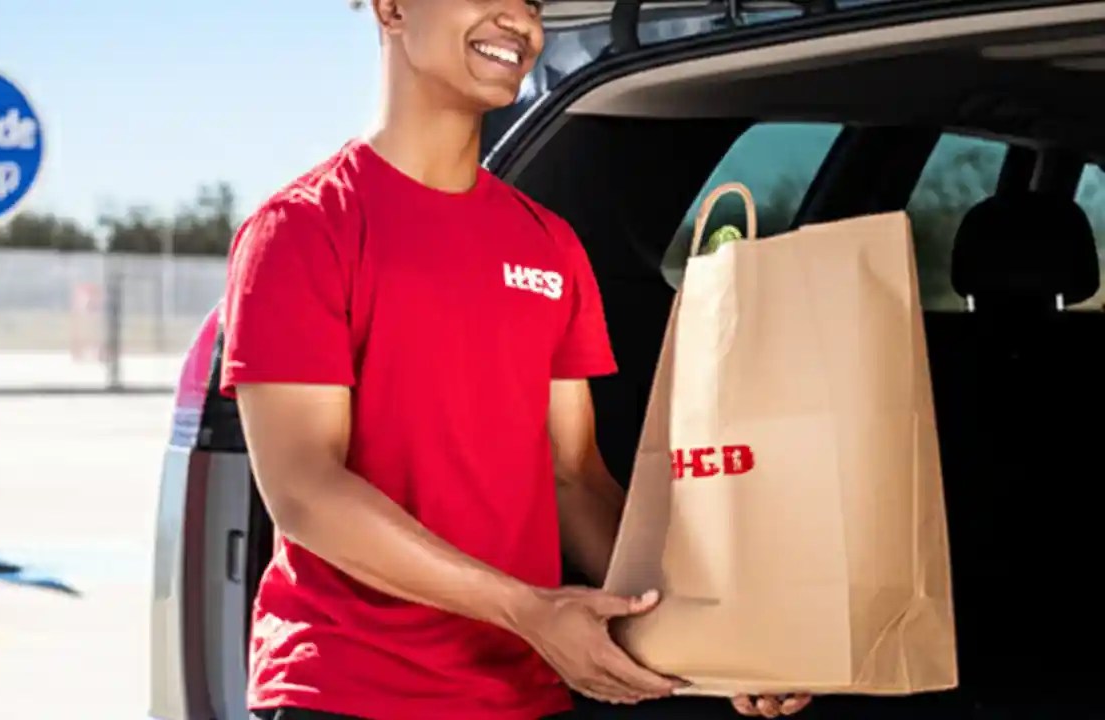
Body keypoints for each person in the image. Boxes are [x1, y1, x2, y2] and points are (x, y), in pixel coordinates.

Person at [220, 1, 815, 718]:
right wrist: (527, 609)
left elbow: (575, 477)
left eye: (533, 2)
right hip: (346, 693)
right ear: (390, 7)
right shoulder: (303, 230)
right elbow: (305, 489)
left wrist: (714, 629)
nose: (522, 22)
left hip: (522, 695)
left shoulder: (548, 245)